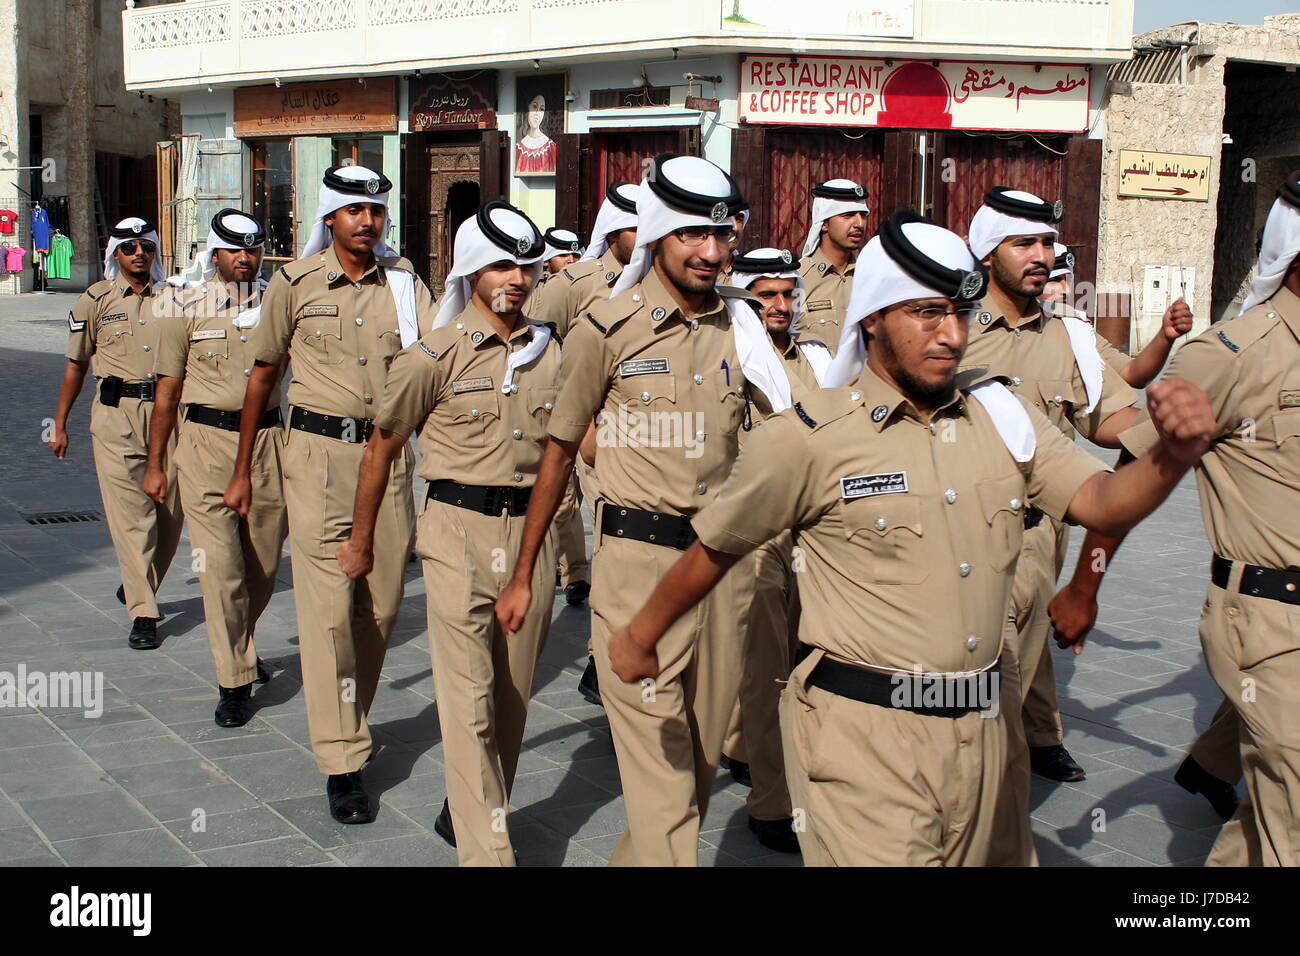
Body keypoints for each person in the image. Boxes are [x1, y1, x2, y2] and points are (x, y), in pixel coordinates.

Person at [606, 211, 1217, 866]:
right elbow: (715, 550)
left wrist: (1170, 455)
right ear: (871, 317)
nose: (951, 335)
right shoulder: (806, 438)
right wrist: (640, 636)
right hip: (867, 745)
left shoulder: (1003, 413)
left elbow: (1101, 500)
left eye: (959, 312)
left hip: (987, 734)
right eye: (927, 313)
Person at [495, 153, 792, 865]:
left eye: (721, 237)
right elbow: (560, 449)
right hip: (634, 569)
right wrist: (525, 570)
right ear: (657, 233)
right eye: (693, 234)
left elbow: (786, 439)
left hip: (723, 571)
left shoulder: (742, 328)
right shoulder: (607, 327)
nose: (712, 252)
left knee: (693, 770)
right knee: (662, 781)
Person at [1072, 172, 1300, 862]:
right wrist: (1085, 585)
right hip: (1269, 616)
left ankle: (1212, 766)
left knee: (1276, 817)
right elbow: (1134, 470)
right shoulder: (1230, 354)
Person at [337, 202, 561, 865]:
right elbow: (382, 447)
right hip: (455, 532)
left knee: (513, 697)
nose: (515, 279)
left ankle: (469, 807)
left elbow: (576, 444)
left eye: (524, 266)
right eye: (499, 265)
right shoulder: (431, 355)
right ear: (471, 270)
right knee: (468, 701)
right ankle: (488, 851)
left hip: (532, 537)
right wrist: (361, 539)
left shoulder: (555, 351)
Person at [224, 165, 438, 824]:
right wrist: (241, 469)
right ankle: (342, 759)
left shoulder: (404, 284)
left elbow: (439, 359)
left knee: (380, 606)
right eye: (354, 212)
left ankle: (351, 713)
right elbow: (263, 376)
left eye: (376, 212)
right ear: (331, 217)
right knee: (325, 612)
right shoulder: (296, 282)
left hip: (389, 458)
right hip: (313, 457)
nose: (367, 223)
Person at [960, 188, 1141, 789]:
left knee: (1013, 675)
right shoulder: (948, 325)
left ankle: (1004, 786)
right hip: (958, 535)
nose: (1042, 254)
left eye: (1047, 243)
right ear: (989, 254)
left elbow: (1109, 423)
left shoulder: (1068, 335)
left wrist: (1178, 429)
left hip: (1038, 542)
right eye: (1024, 244)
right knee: (974, 687)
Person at [142, 210, 284, 728]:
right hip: (203, 445)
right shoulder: (183, 306)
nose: (245, 259)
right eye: (234, 250)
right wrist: (156, 463)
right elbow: (167, 390)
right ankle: (234, 680)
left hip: (269, 444)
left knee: (262, 568)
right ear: (215, 253)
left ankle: (240, 646)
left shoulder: (278, 303)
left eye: (254, 249)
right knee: (220, 570)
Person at [718, 247, 831, 853]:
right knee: (765, 666)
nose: (781, 307)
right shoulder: (729, 358)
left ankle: (747, 747)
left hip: (810, 529)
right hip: (753, 531)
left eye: (789, 295)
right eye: (766, 297)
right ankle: (769, 800)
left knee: (803, 652)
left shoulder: (816, 357)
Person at [49, 217, 182, 650]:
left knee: (171, 515)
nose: (138, 253)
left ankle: (136, 581)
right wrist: (60, 423)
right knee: (133, 519)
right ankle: (144, 611)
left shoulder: (176, 300)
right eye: (129, 248)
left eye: (146, 246)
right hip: (115, 417)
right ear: (115, 254)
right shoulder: (95, 300)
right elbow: (75, 364)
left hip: (169, 418)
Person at [533, 183, 641, 702]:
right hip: (587, 427)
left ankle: (602, 661)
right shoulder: (576, 281)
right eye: (634, 227)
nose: (643, 237)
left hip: (644, 434)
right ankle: (600, 658)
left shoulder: (655, 281)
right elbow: (535, 338)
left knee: (626, 548)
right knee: (609, 541)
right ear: (612, 230)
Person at [798, 179, 869, 352]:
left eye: (863, 215)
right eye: (848, 215)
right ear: (824, 224)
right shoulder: (798, 279)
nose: (859, 223)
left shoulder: (870, 277)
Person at [515, 93, 557, 176]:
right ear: (527, 109)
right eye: (534, 107)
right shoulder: (518, 148)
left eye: (541, 109)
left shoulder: (551, 147)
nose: (537, 113)